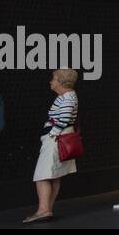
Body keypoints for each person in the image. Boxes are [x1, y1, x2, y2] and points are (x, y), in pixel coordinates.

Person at [24, 69, 79, 224]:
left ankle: (43, 210)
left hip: (56, 139)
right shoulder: (67, 96)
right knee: (54, 176)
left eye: (53, 79)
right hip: (60, 138)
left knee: (42, 175)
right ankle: (47, 209)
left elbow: (65, 117)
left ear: (61, 82)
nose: (51, 81)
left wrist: (52, 134)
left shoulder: (67, 97)